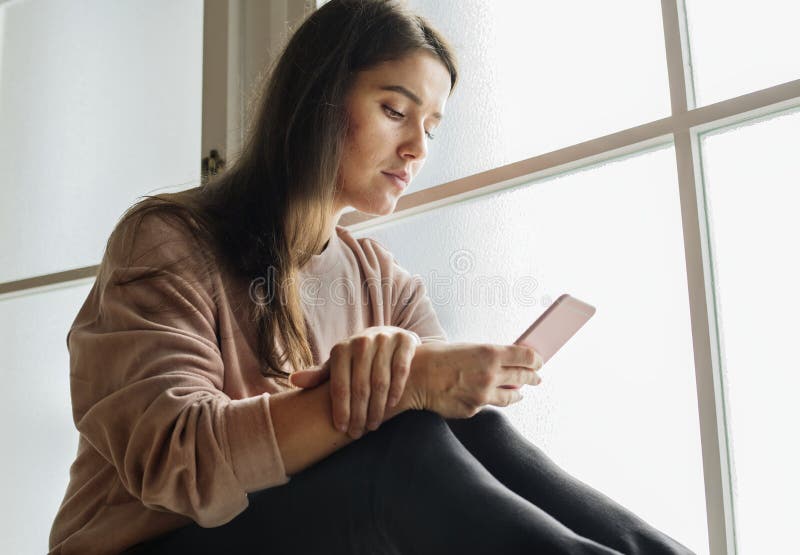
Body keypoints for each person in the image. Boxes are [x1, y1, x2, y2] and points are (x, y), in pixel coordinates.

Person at [48, 1, 696, 553]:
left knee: (464, 423)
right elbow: (178, 462)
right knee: (401, 443)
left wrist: (426, 383)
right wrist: (394, 387)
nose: (417, 148)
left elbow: (453, 450)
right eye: (394, 110)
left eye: (431, 128)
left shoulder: (385, 283)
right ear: (318, 96)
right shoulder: (168, 239)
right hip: (152, 543)